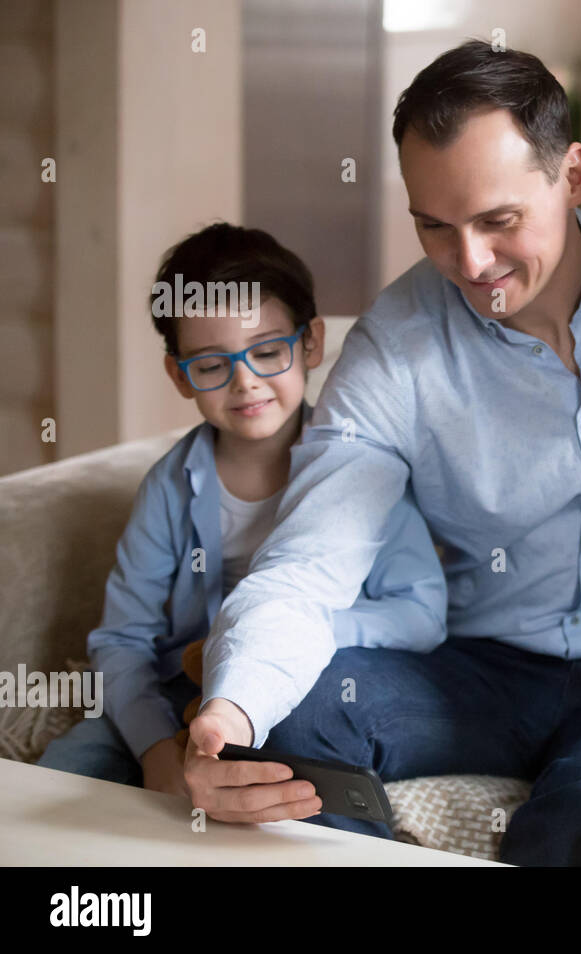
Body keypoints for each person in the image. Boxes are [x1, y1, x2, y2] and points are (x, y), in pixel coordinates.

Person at [180, 41, 581, 866]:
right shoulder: (394, 347)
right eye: (434, 226)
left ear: (573, 176)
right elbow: (306, 564)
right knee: (293, 718)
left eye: (498, 221)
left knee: (572, 825)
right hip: (480, 670)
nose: (470, 263)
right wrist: (228, 713)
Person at [37, 224, 446, 803]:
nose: (245, 381)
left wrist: (293, 633)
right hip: (178, 688)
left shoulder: (358, 473)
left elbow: (422, 614)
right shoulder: (169, 488)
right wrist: (156, 751)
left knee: (279, 788)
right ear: (180, 376)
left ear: (310, 344)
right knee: (58, 776)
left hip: (303, 683)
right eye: (211, 365)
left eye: (268, 351)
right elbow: (122, 640)